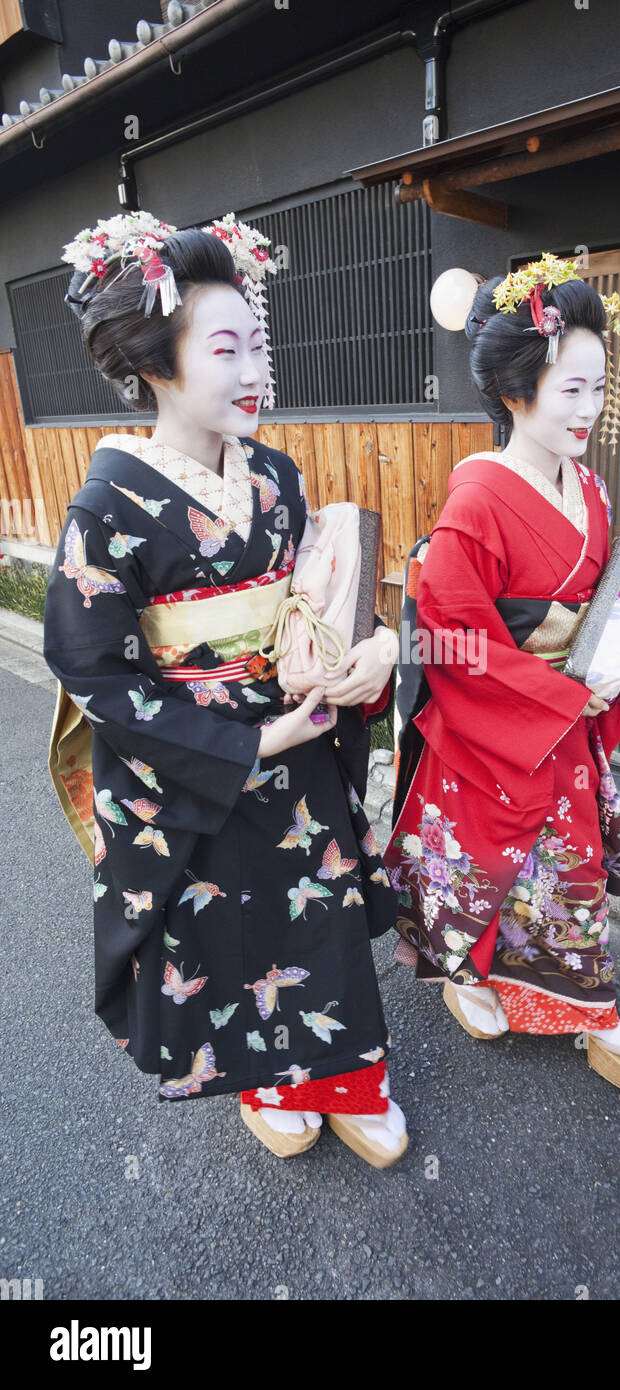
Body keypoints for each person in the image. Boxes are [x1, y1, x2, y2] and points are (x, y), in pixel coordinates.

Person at [44, 211, 408, 1164]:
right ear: (158, 364)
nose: (255, 371)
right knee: (231, 936)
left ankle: (351, 1078)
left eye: (259, 344)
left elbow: (329, 606)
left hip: (302, 739)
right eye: (226, 347)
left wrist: (373, 653)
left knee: (319, 915)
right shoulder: (108, 506)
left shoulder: (278, 482)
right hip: (204, 768)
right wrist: (249, 744)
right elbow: (95, 673)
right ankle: (274, 1084)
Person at [384, 254, 620, 1095]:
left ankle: (592, 1012)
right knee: (473, 865)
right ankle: (464, 976)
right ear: (516, 394)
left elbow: (606, 591)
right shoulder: (474, 500)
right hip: (497, 717)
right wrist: (557, 694)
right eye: (568, 389)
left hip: (564, 711)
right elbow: (452, 634)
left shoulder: (591, 488)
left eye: (597, 388)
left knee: (566, 870)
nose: (588, 409)